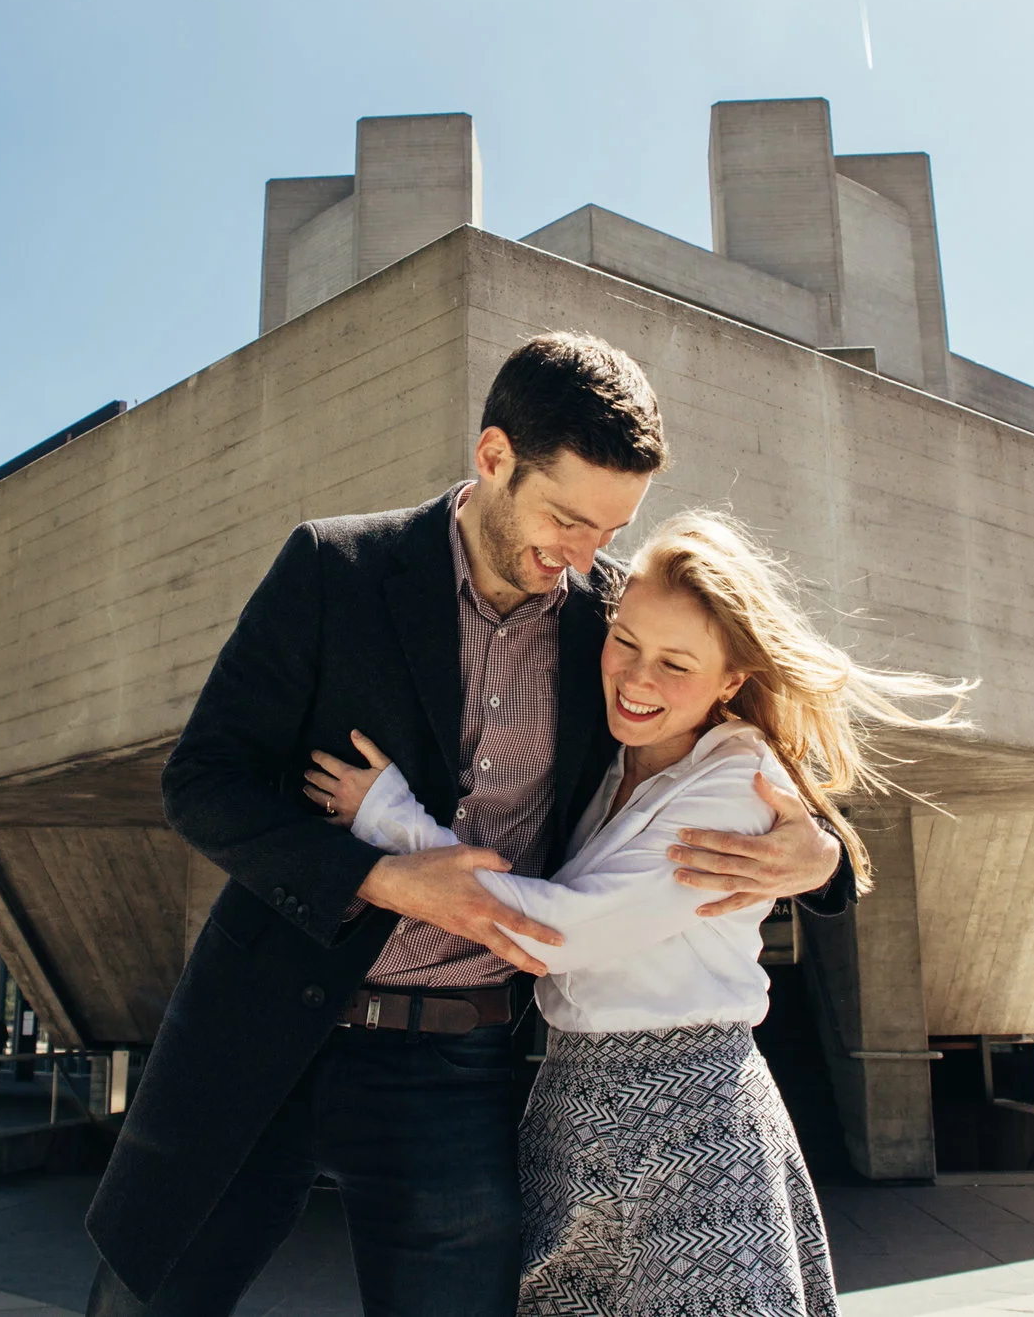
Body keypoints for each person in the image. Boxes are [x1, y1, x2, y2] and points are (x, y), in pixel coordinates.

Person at [85, 333, 853, 1317]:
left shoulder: (615, 625)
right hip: (262, 1028)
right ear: (494, 456)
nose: (585, 556)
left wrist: (820, 853)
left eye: (610, 528)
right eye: (567, 518)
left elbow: (744, 752)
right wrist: (380, 875)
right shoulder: (334, 569)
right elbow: (202, 781)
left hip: (454, 1066)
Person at [310, 512, 969, 1316]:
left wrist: (394, 820)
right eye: (625, 641)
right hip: (568, 1106)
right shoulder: (610, 752)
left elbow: (562, 932)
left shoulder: (738, 784)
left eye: (676, 664)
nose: (637, 679)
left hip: (693, 1120)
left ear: (730, 680)